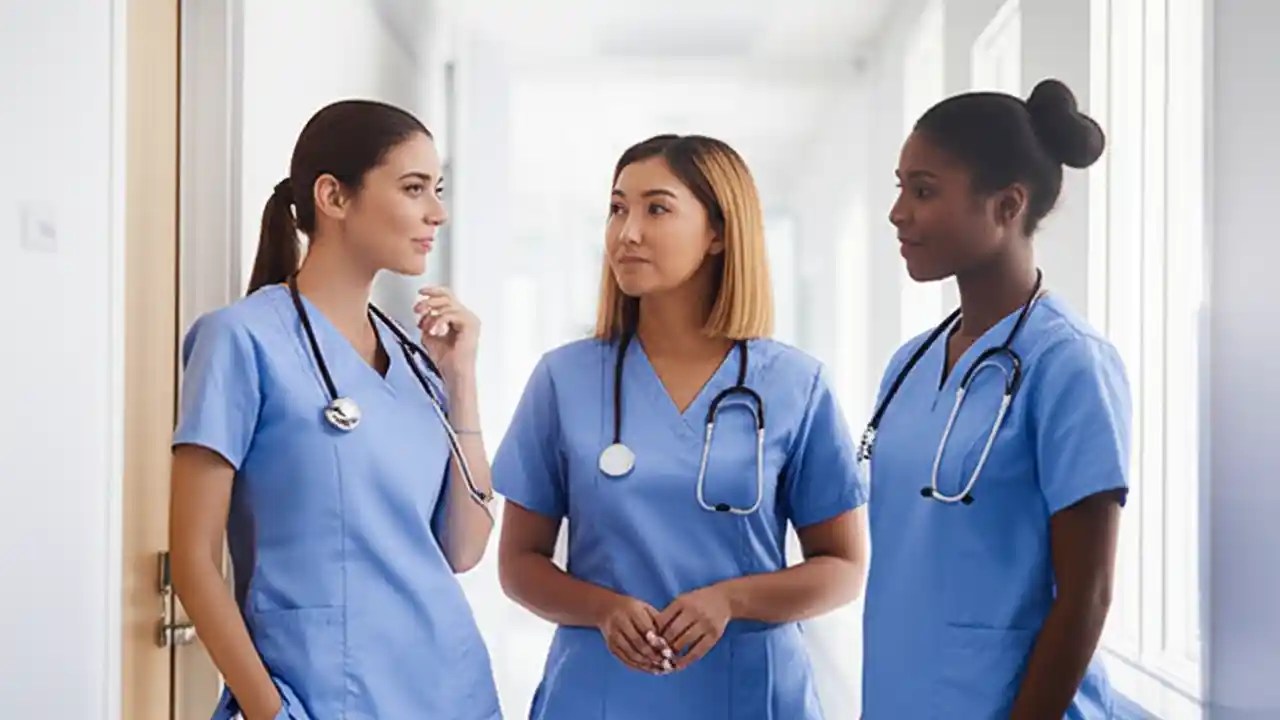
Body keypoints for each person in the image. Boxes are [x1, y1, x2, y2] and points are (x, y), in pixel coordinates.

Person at [494, 134, 869, 719]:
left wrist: (732, 599)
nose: (627, 232)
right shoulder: (563, 381)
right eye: (617, 208)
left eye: (656, 209)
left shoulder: (794, 384)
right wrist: (603, 609)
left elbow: (843, 567)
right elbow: (519, 564)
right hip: (600, 693)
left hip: (747, 694)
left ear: (719, 232)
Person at [168, 99, 501, 720]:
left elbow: (463, 548)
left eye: (438, 189)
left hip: (449, 689)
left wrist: (462, 378)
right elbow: (192, 557)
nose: (438, 211)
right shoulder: (240, 341)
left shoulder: (416, 358)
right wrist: (268, 710)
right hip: (320, 696)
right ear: (334, 196)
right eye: (413, 188)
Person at [860, 78, 1128, 718]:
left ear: (1008, 205)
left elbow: (1087, 594)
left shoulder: (1067, 363)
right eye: (900, 187)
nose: (899, 211)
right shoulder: (911, 364)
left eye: (923, 190)